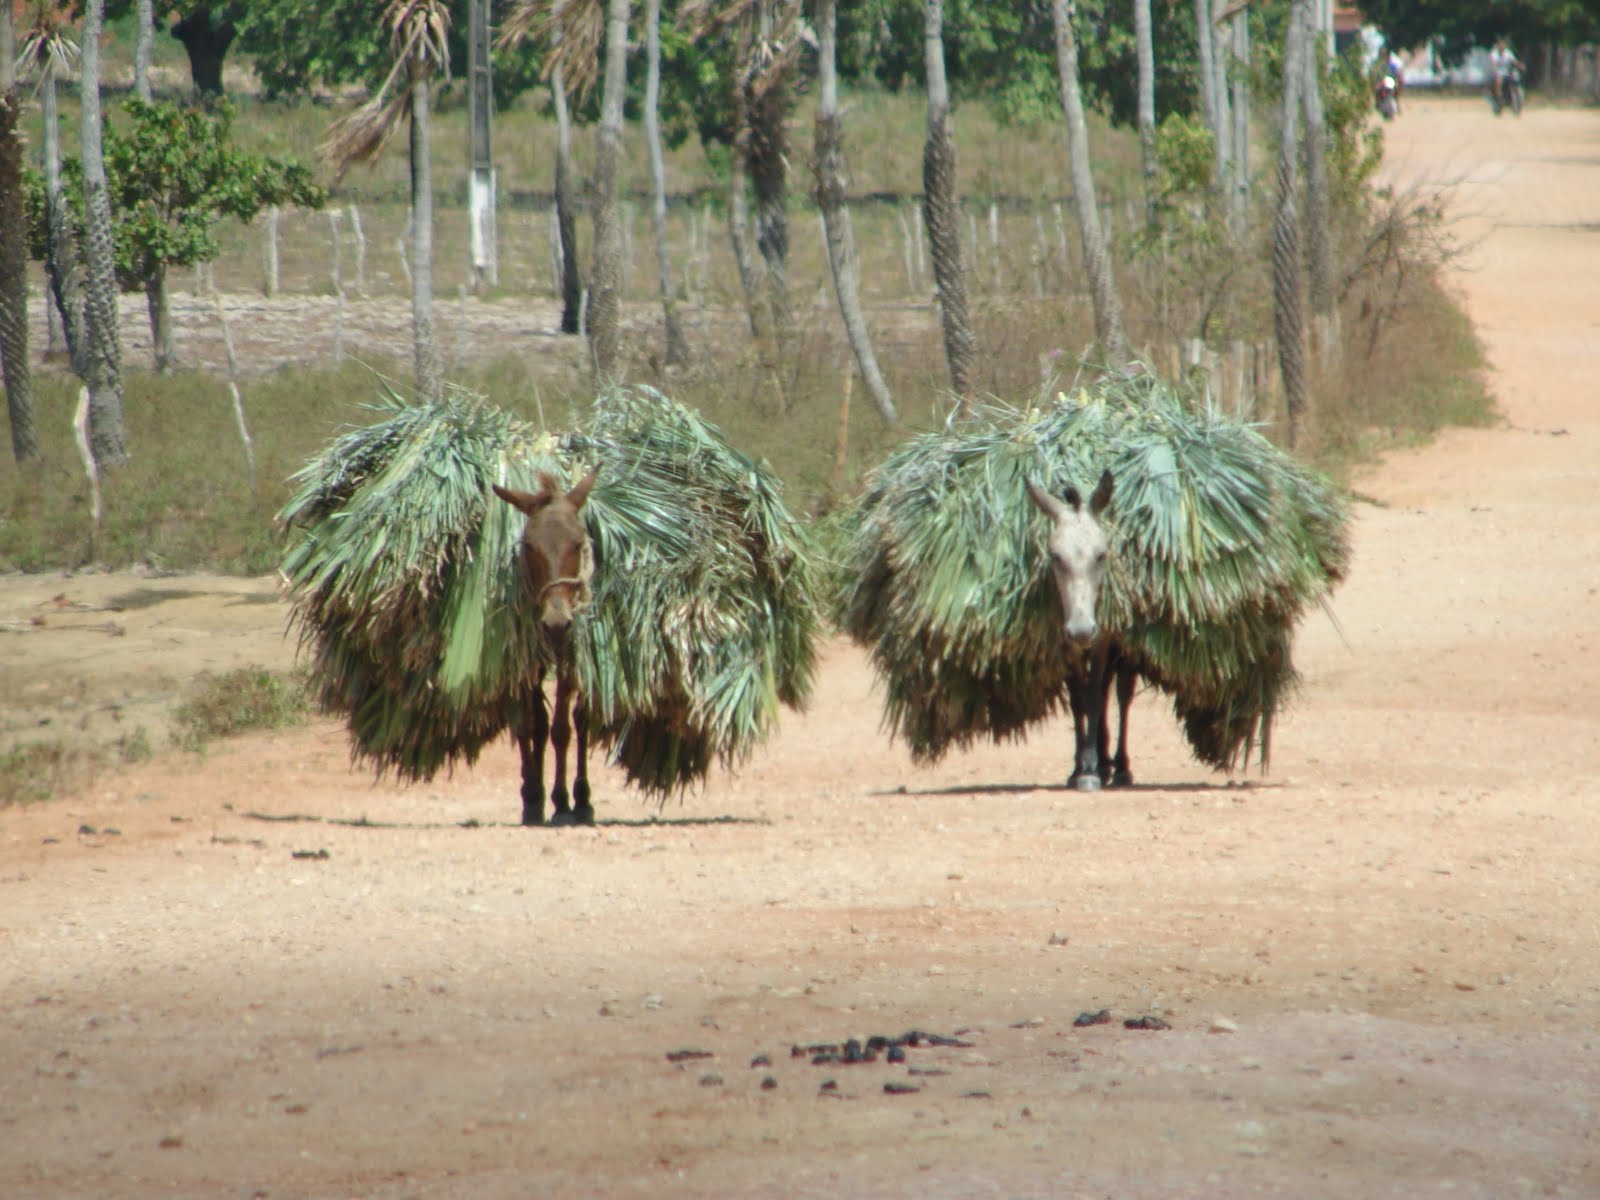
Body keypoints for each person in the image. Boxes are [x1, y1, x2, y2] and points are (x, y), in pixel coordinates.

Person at [1489, 40, 1523, 107]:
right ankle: (1499, 97)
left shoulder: (1508, 53)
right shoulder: (1494, 53)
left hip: (1508, 72)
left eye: (1503, 45)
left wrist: (1520, 66)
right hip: (1498, 73)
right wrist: (1495, 71)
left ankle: (1515, 97)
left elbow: (1514, 61)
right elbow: (1493, 64)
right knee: (1499, 81)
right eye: (1500, 45)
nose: (1502, 47)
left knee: (1515, 79)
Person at [1385, 48, 1406, 113]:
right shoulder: (1385, 62)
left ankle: (1396, 108)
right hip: (1390, 79)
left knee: (1395, 95)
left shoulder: (1395, 63)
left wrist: (1398, 82)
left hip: (1394, 79)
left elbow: (1399, 74)